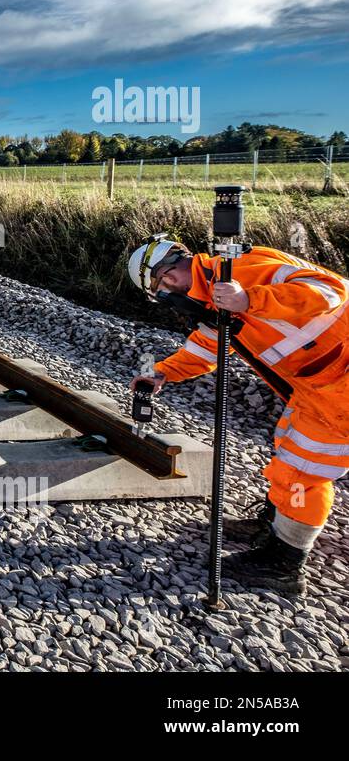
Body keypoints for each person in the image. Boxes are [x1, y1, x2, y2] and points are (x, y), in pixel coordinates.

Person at [128, 235, 349, 595]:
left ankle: (284, 563)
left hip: (339, 381)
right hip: (318, 387)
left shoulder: (240, 270)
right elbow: (206, 346)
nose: (171, 300)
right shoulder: (214, 301)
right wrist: (163, 373)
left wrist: (250, 299)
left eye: (163, 291)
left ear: (164, 281)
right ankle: (277, 524)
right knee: (288, 451)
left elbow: (330, 291)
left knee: (302, 471)